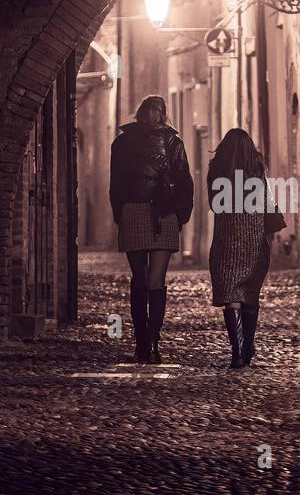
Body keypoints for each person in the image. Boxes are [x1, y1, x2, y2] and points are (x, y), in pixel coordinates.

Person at [109, 95, 193, 363]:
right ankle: (154, 342)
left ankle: (142, 342)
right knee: (156, 281)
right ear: (163, 114)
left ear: (139, 114)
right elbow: (184, 181)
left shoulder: (121, 142)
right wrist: (181, 215)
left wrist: (119, 214)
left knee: (140, 280)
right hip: (163, 213)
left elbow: (116, 184)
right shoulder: (172, 142)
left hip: (133, 211)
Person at [207, 129, 285, 368]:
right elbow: (267, 202)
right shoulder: (257, 170)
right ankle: (248, 345)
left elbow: (213, 204)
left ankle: (237, 351)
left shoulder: (217, 170)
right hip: (254, 239)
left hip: (226, 240)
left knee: (232, 297)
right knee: (250, 295)